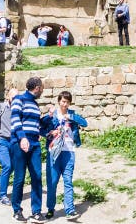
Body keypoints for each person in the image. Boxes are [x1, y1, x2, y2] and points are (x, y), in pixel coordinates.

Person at [41, 91, 87, 221]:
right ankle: (50, 209)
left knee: (68, 182)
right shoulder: (53, 114)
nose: (64, 104)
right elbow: (41, 127)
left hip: (69, 151)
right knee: (52, 182)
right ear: (59, 101)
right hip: (54, 152)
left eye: (67, 102)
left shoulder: (72, 114)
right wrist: (50, 132)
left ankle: (70, 210)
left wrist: (71, 117)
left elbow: (84, 123)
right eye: (62, 101)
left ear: (69, 103)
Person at [10, 77, 45, 222]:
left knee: (37, 177)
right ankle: (17, 210)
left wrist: (46, 122)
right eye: (42, 88)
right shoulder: (19, 99)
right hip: (20, 143)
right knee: (19, 178)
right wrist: (22, 137)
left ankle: (36, 211)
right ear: (37, 87)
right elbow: (15, 119)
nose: (42, 90)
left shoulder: (36, 105)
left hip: (34, 144)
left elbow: (36, 124)